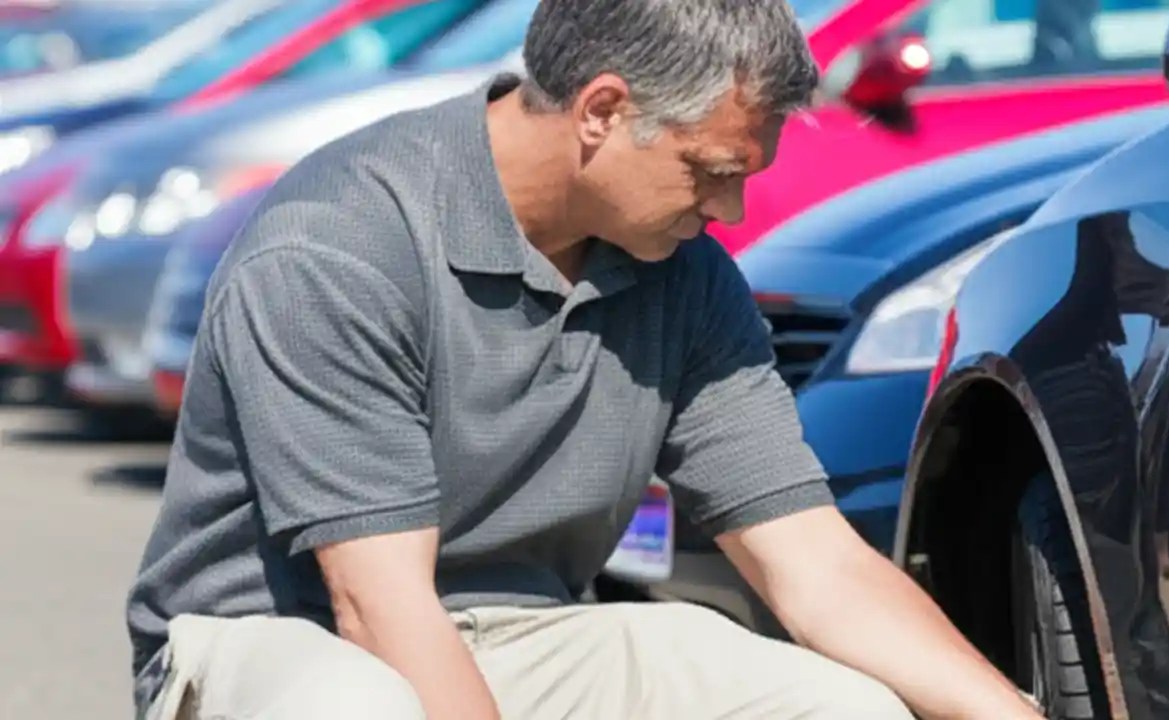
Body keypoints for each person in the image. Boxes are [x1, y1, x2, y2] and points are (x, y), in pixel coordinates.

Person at [125, 1, 1045, 718]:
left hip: (525, 633)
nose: (729, 210)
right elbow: (378, 608)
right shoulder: (340, 248)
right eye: (711, 169)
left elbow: (814, 566)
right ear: (602, 110)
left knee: (839, 705)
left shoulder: (687, 278)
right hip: (282, 647)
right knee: (367, 706)